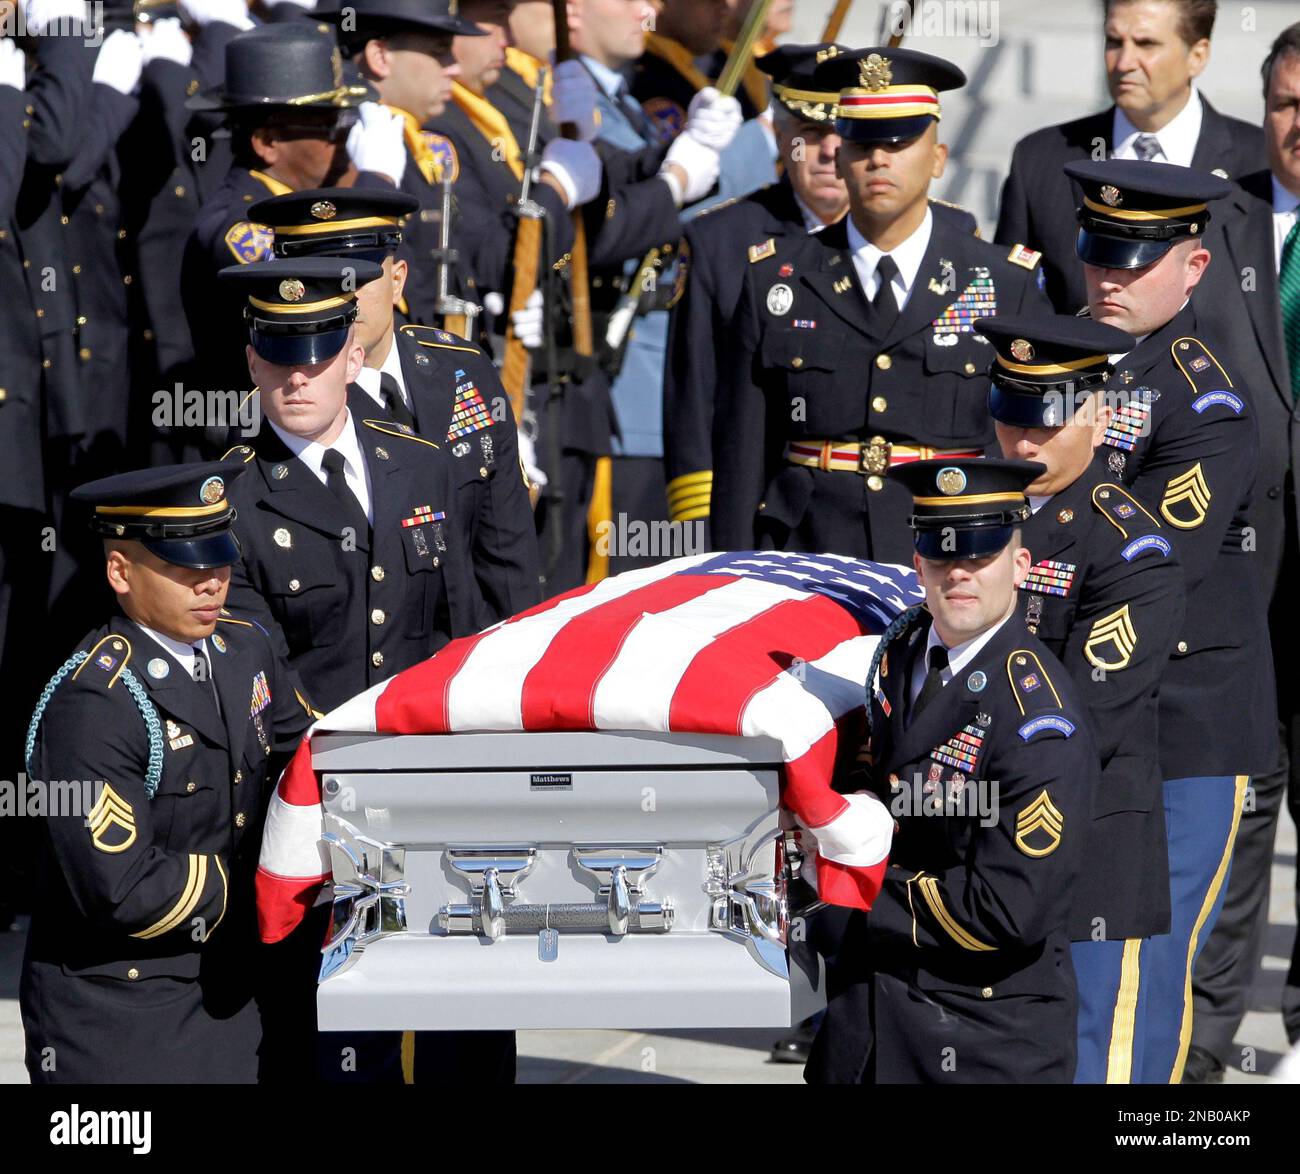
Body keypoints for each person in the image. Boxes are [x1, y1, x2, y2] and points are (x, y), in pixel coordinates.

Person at [217, 255, 513, 1083]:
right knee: (334, 1046)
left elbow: (461, 626)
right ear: (251, 360)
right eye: (278, 353)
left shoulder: (418, 464)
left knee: (462, 1035)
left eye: (318, 349)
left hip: (438, 788)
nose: (298, 374)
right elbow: (261, 677)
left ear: (353, 353)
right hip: (313, 799)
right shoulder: (231, 499)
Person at [1068, 157, 1275, 1082]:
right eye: (1097, 253)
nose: (1109, 275)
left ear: (1194, 270)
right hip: (1070, 706)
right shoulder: (1051, 361)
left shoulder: (1208, 398)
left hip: (1183, 722)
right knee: (1066, 957)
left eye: (1135, 259)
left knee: (1138, 958)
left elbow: (1148, 567)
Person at [805, 458, 1099, 1084]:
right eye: (940, 556)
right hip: (867, 1027)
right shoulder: (902, 647)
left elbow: (1006, 910)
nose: (959, 572)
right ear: (918, 565)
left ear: (1021, 566)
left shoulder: (1037, 721)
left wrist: (845, 878)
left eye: (981, 554)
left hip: (978, 1038)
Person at [21, 458, 314, 1082]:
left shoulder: (245, 647)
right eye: (185, 566)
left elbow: (306, 764)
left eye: (220, 560)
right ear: (120, 572)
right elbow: (119, 886)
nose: (211, 583)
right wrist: (268, 885)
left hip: (240, 988)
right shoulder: (94, 700)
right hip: (127, 1011)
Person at [710, 46, 1049, 564]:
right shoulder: (775, 279)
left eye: (900, 141)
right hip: (803, 552)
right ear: (840, 156)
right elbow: (740, 453)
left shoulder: (1002, 282)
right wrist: (728, 578)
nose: (879, 159)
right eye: (862, 141)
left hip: (947, 552)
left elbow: (1031, 448)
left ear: (938, 158)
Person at [983, 314, 1186, 1082]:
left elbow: (1081, 721)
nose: (1025, 441)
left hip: (1083, 846)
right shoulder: (964, 520)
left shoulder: (1132, 550)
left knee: (1092, 1059)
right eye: (1011, 415)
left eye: (1049, 419)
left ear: (1100, 418)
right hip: (979, 843)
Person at [248, 185, 542, 627]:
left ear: (398, 278)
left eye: (358, 278)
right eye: (320, 282)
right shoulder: (290, 405)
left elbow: (507, 549)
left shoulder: (462, 369)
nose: (344, 297)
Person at [1183, 21, 1300, 1081]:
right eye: (1286, 102)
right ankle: (1205, 1045)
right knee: (1237, 809)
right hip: (1235, 587)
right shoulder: (1215, 224)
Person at [180, 21, 401, 415]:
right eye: (334, 127)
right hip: (260, 445)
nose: (346, 144)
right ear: (268, 142)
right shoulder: (238, 225)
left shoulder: (297, 210)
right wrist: (376, 190)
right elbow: (319, 293)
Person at [996, 0, 1263, 313]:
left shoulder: (1260, 163)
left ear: (1198, 55)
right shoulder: (1040, 159)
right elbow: (1011, 302)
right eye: (1114, 42)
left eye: (1146, 44)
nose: (1123, 62)